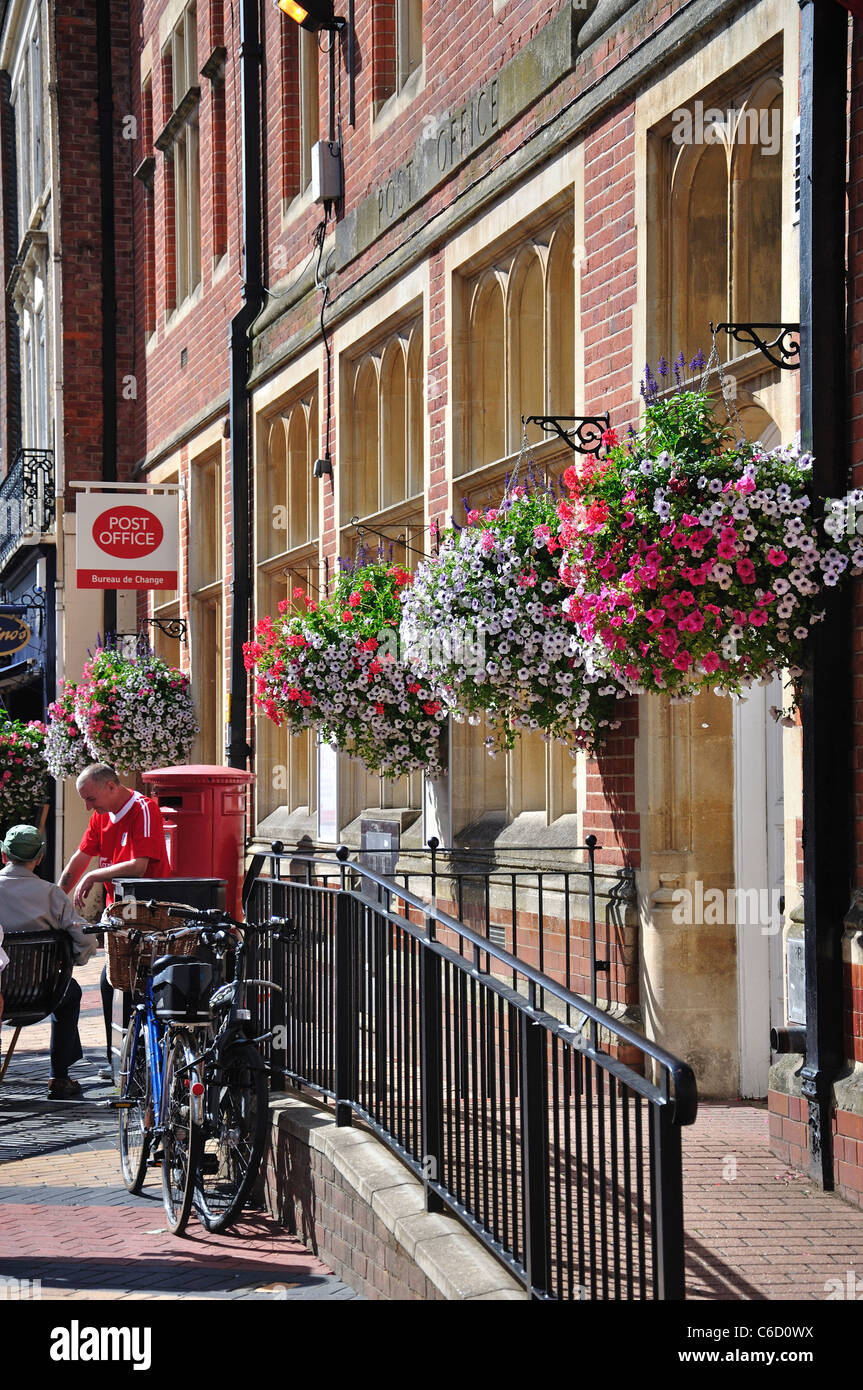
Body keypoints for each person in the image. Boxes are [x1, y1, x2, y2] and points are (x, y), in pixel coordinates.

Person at [59, 763, 171, 1080]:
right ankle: (118, 1060)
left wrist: (94, 875)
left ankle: (139, 1059)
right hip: (118, 916)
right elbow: (79, 859)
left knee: (127, 984)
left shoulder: (144, 809)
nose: (87, 806)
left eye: (90, 798)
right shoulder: (101, 816)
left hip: (146, 914)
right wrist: (55, 897)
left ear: (111, 786)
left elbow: (139, 866)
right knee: (112, 983)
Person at [0, 824, 96, 1100]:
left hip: (0, 992)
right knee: (72, 991)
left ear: (4, 855)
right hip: (41, 991)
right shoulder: (53, 895)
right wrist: (77, 959)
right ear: (39, 858)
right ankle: (60, 1075)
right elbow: (84, 940)